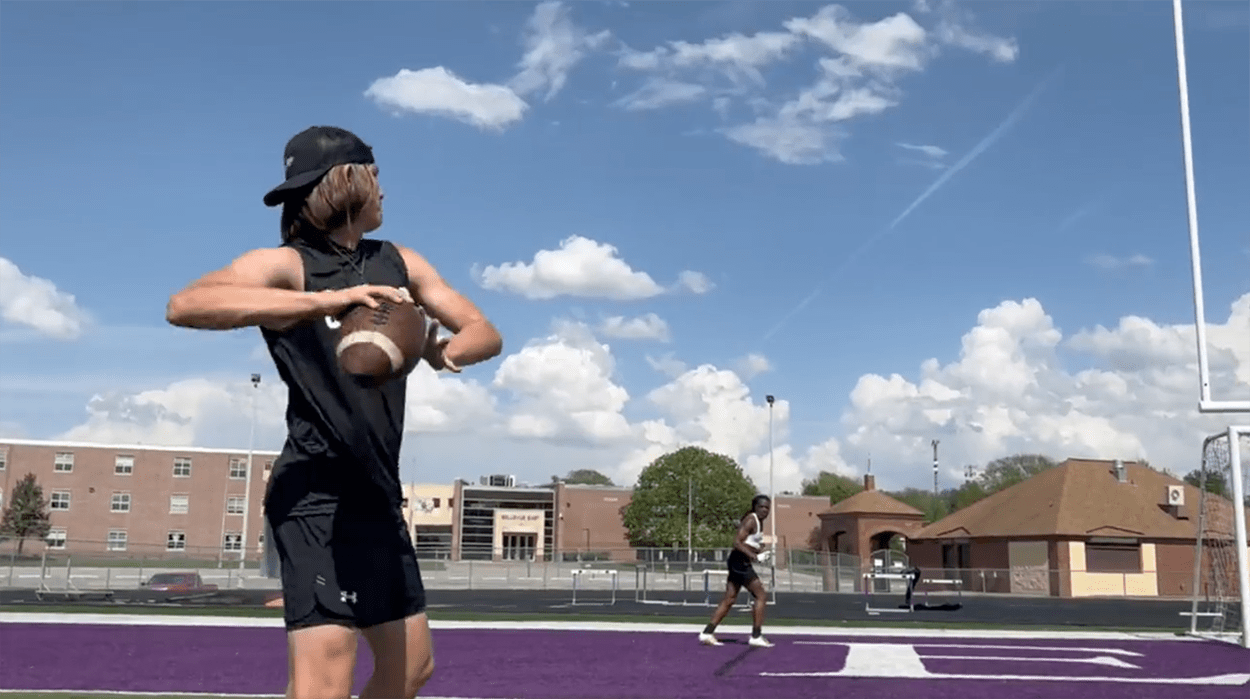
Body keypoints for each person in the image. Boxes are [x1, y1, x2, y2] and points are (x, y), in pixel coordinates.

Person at [166, 125, 503, 699]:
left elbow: (483, 330)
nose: (384, 191)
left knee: (411, 670)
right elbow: (186, 304)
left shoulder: (399, 261)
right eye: (375, 177)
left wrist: (441, 350)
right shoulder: (287, 266)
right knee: (324, 680)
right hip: (314, 492)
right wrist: (326, 300)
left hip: (376, 491)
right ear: (344, 182)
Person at [698, 494, 774, 648]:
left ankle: (707, 633)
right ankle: (756, 635)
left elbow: (748, 543)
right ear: (755, 507)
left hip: (738, 562)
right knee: (760, 595)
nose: (764, 510)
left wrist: (759, 550)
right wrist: (755, 556)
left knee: (730, 599)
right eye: (761, 507)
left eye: (767, 508)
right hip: (740, 562)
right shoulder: (751, 520)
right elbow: (737, 542)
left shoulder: (759, 522)